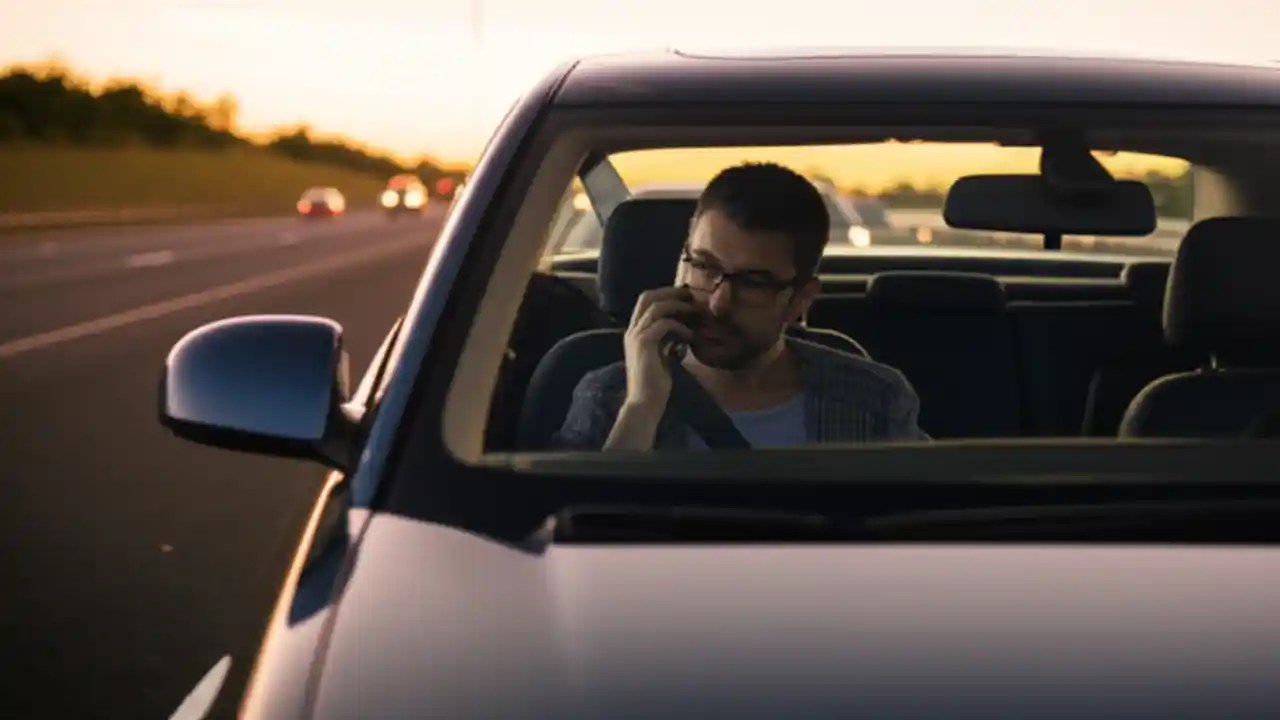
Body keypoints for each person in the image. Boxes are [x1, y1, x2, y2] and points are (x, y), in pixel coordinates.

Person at [553, 162, 927, 450]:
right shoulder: (607, 396)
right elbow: (568, 536)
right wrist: (641, 407)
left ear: (800, 299)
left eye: (754, 282)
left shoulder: (873, 400)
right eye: (703, 266)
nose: (718, 303)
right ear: (679, 264)